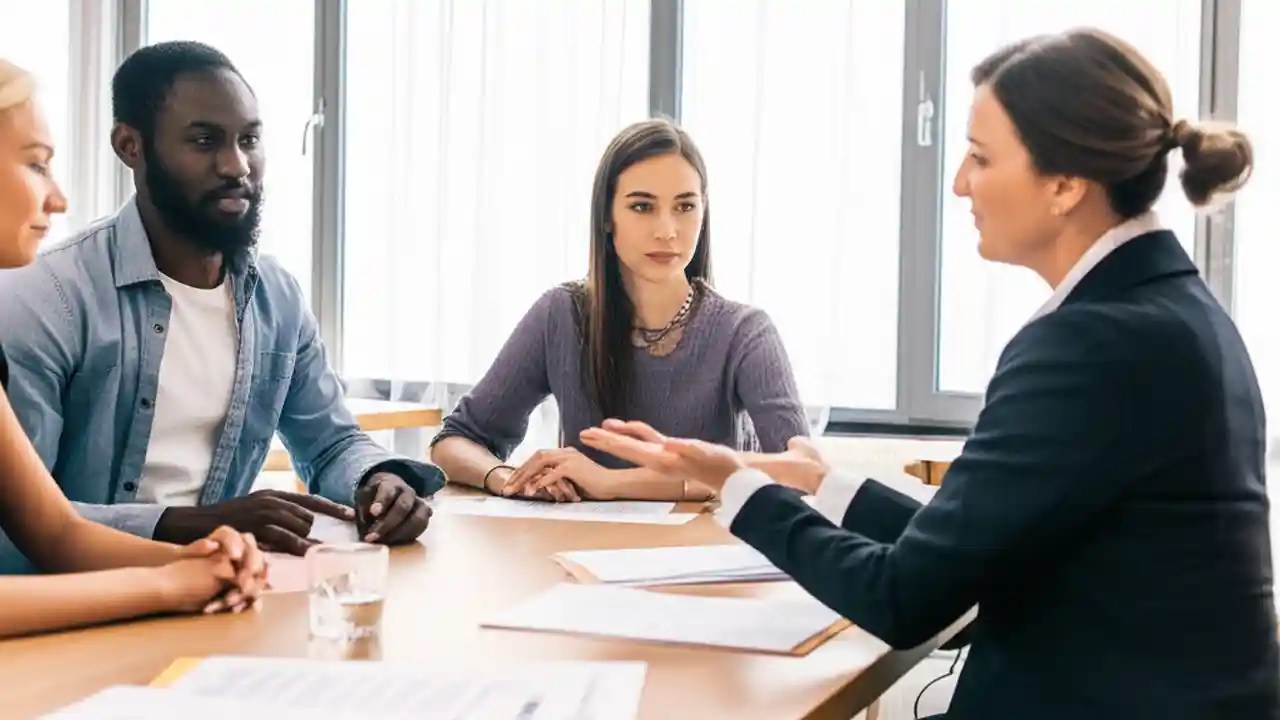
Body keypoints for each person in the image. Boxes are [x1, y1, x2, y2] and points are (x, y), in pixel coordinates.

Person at [582, 29, 1279, 719]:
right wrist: (814, 481)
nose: (957, 184)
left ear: (1065, 184)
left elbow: (903, 598)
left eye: (979, 157)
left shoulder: (1089, 344)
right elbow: (969, 544)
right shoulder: (1167, 311)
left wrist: (735, 487)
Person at [0, 42, 441, 573]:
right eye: (205, 141)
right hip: (83, 598)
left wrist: (378, 481)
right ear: (130, 146)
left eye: (249, 140)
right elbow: (26, 526)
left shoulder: (275, 296)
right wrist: (187, 525)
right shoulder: (44, 299)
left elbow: (330, 443)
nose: (237, 167)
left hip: (217, 580)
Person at [0, 57, 265, 637]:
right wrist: (166, 584)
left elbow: (58, 533)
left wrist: (203, 563)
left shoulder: (275, 294)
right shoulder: (45, 299)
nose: (60, 200)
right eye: (37, 166)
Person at [430, 118, 808, 503]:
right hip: (580, 553)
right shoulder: (561, 315)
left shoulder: (745, 332)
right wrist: (508, 477)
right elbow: (455, 440)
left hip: (704, 553)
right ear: (607, 216)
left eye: (685, 206)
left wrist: (610, 483)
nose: (667, 230)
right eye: (642, 206)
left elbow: (799, 472)